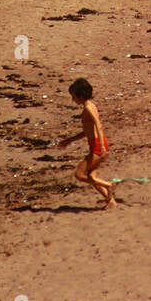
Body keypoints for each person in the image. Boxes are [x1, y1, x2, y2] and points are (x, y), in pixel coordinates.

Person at [57, 77, 116, 208]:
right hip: (95, 143)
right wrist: (69, 140)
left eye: (74, 96)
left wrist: (101, 147)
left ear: (81, 95)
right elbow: (87, 131)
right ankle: (110, 200)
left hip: (97, 144)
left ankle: (108, 185)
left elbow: (98, 125)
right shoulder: (90, 106)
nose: (73, 100)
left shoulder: (89, 108)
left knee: (79, 175)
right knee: (91, 176)